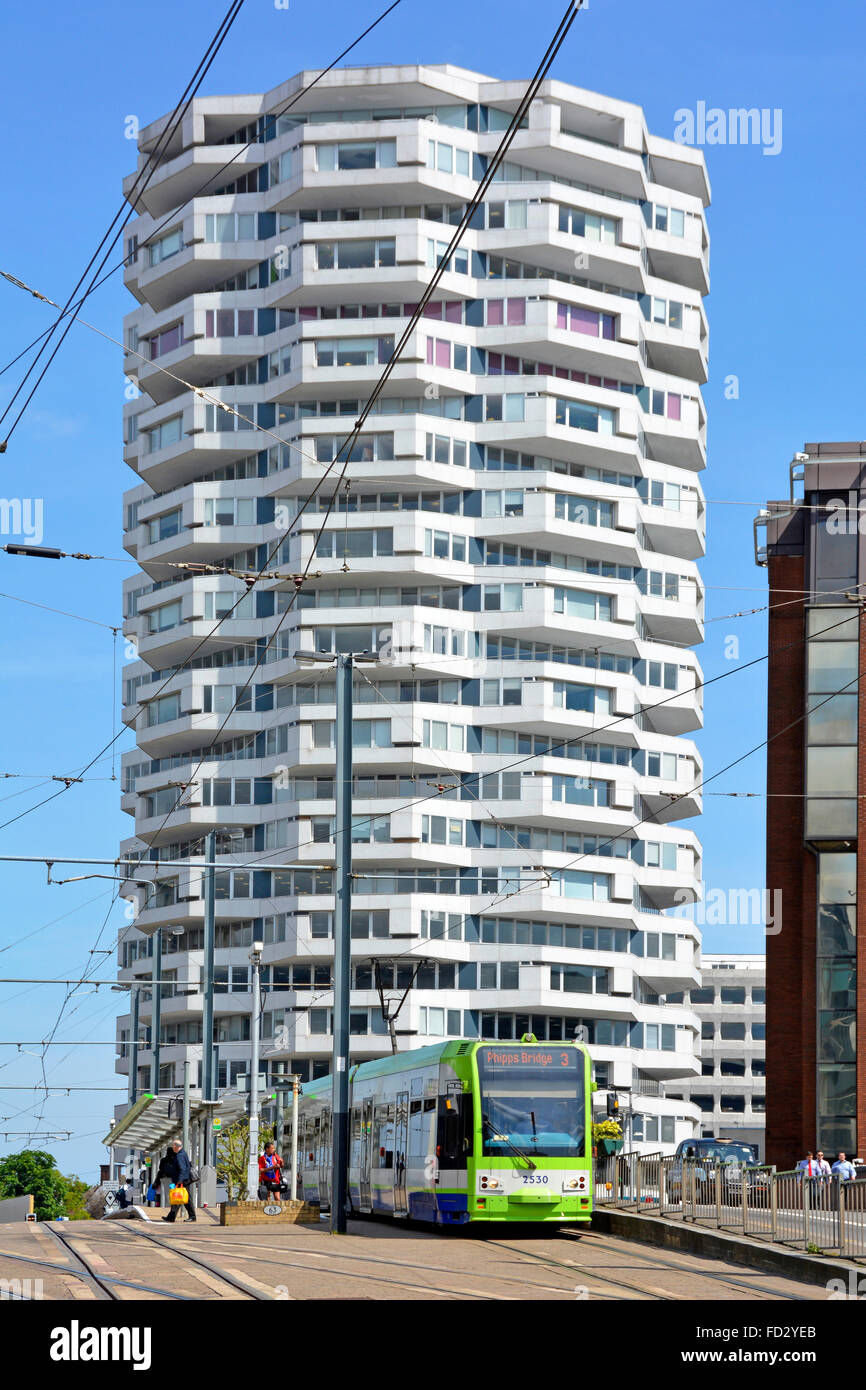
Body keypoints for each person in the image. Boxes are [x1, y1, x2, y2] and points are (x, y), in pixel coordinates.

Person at [161, 1138, 196, 1222]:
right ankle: (190, 1216)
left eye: (173, 1146)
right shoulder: (183, 1153)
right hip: (185, 1179)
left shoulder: (180, 1156)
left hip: (182, 1180)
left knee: (178, 1198)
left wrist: (179, 1181)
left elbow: (182, 1169)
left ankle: (172, 1217)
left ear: (176, 1146)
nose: (172, 1148)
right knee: (185, 1198)